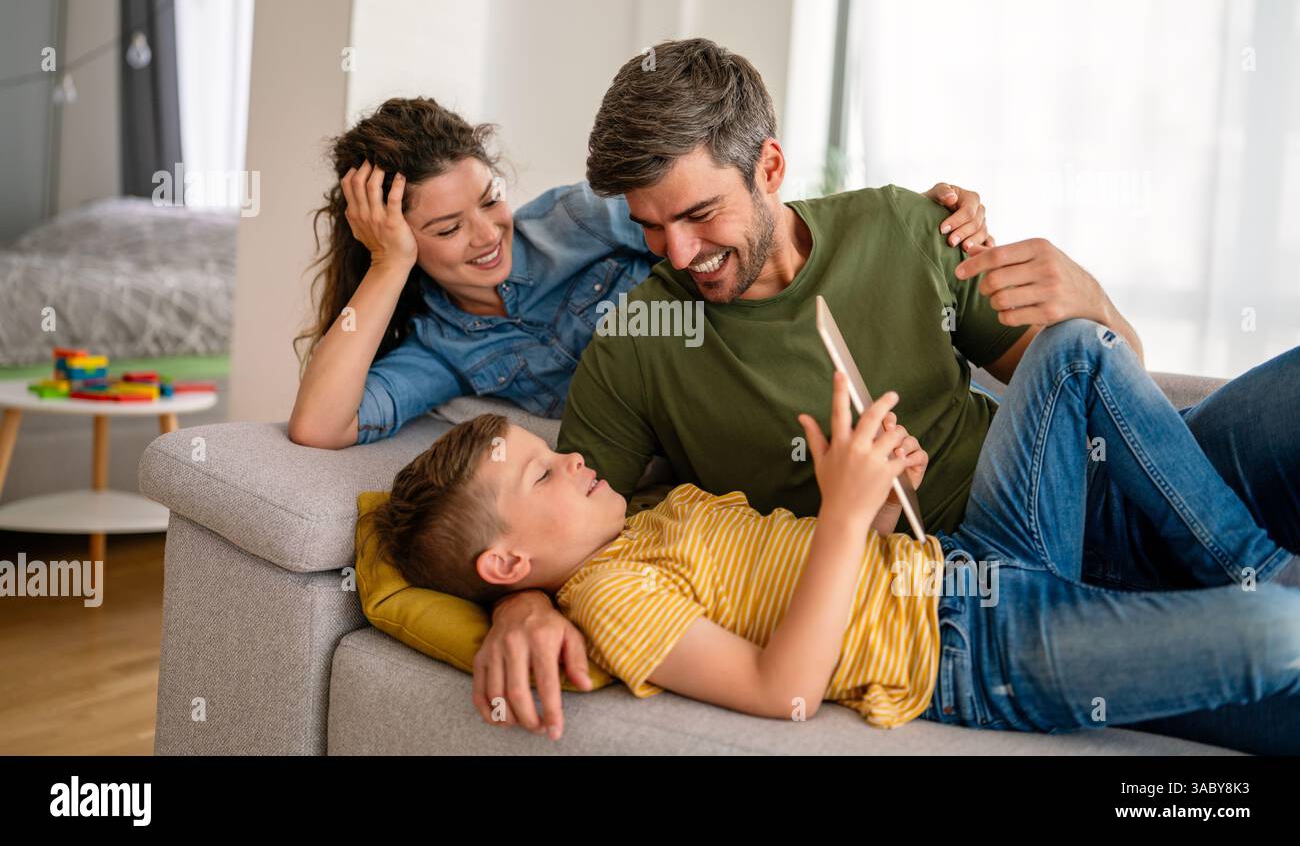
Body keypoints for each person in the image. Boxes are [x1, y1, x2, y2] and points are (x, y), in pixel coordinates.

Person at [478, 37, 1300, 743]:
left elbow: (1101, 387)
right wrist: (518, 611)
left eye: (699, 214)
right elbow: (557, 523)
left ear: (769, 165)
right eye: (651, 226)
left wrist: (1095, 299)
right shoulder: (639, 342)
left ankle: (1255, 574)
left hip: (1121, 489)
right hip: (976, 583)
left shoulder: (902, 226)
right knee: (1272, 663)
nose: (680, 251)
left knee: (1087, 342)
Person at [370, 319, 1300, 752]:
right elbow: (785, 691)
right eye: (544, 473)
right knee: (1275, 637)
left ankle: (1259, 567)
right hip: (975, 655)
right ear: (508, 564)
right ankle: (1269, 590)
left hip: (971, 558)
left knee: (1073, 349)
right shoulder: (610, 596)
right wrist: (847, 515)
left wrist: (877, 493)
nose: (572, 459)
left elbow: (823, 573)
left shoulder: (661, 513)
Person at [287, 95, 987, 448]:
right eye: (444, 228)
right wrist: (387, 266)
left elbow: (731, 221)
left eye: (490, 199)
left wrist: (898, 222)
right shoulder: (443, 347)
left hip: (752, 375)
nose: (486, 234)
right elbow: (321, 425)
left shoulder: (573, 219)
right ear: (399, 242)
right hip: (666, 444)